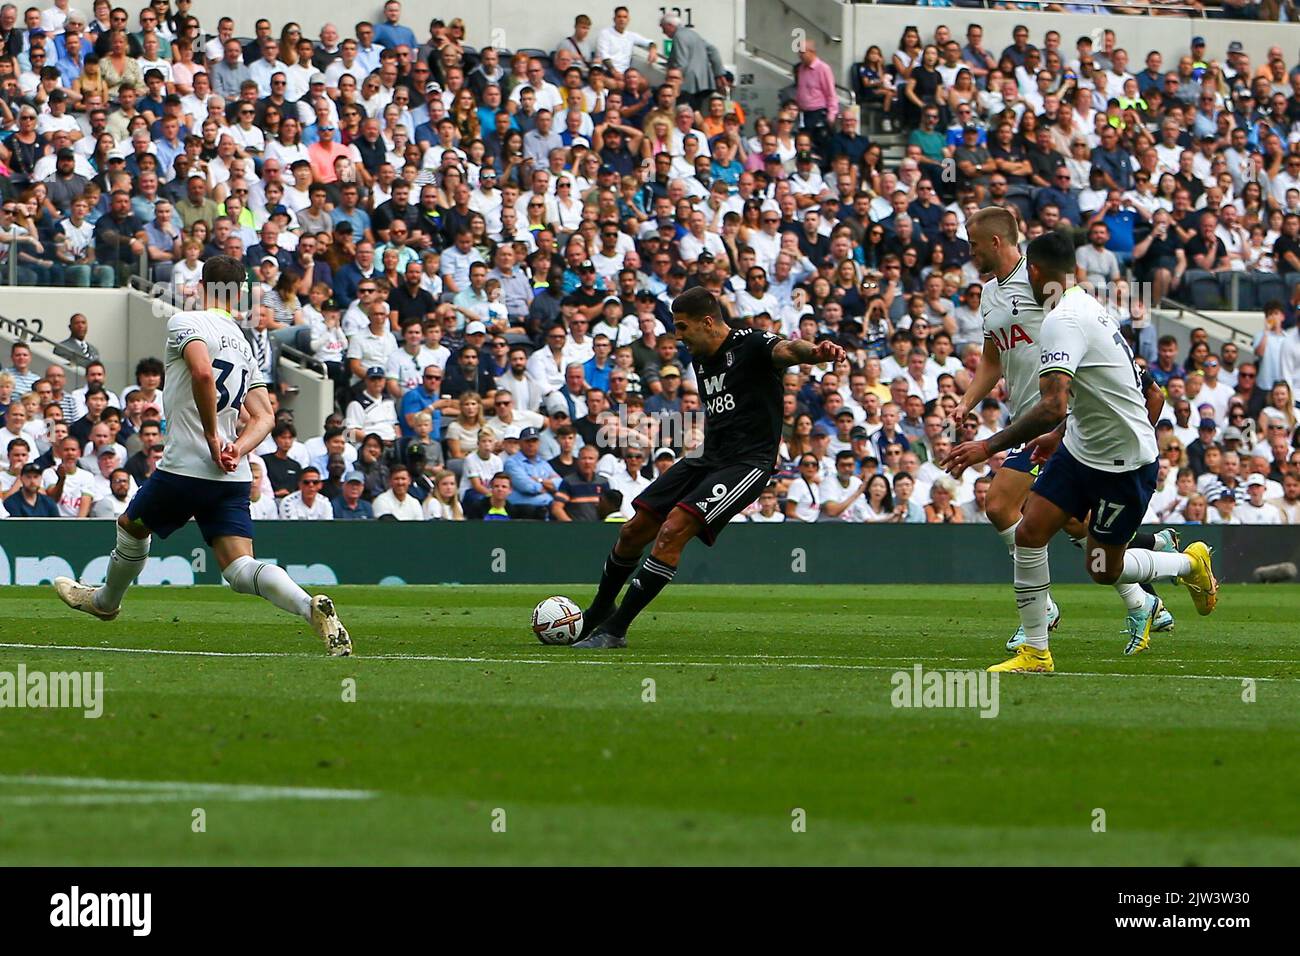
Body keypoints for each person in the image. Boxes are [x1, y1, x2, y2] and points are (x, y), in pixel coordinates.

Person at [944, 232, 1217, 674]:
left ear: (1034, 271)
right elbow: (1083, 395)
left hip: (1123, 463)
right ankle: (1035, 651)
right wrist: (1059, 435)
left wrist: (986, 447)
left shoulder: (1063, 319)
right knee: (1030, 531)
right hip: (1076, 446)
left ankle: (1187, 563)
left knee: (1103, 568)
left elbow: (1054, 403)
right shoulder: (1084, 305)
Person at [52, 255, 351, 656]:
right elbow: (265, 416)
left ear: (200, 286)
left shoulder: (185, 322)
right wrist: (236, 448)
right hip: (233, 474)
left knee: (131, 526)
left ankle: (106, 603)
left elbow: (203, 373)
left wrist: (213, 439)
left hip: (187, 467)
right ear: (239, 291)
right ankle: (307, 604)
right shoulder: (245, 344)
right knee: (239, 567)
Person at [573, 286, 845, 648]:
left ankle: (615, 630)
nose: (677, 336)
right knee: (633, 530)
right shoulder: (700, 356)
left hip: (747, 463)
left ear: (707, 322)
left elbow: (786, 349)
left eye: (682, 327)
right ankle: (599, 611)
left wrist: (815, 351)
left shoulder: (752, 344)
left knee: (672, 530)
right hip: (709, 455)